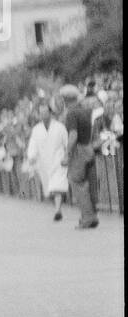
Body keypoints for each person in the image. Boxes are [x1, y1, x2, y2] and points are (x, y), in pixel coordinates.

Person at [59, 84, 99, 229]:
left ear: (66, 99)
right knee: (90, 184)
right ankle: (93, 215)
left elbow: (73, 135)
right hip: (89, 148)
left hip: (79, 151)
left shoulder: (71, 113)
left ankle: (87, 217)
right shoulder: (86, 111)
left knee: (77, 182)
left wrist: (66, 154)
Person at [25, 99, 68, 220]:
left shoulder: (60, 127)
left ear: (50, 113)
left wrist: (67, 155)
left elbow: (67, 143)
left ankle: (58, 210)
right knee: (50, 190)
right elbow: (32, 145)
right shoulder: (36, 130)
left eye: (45, 112)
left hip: (58, 161)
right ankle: (57, 205)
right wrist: (31, 156)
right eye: (41, 113)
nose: (43, 115)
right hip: (44, 163)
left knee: (57, 186)